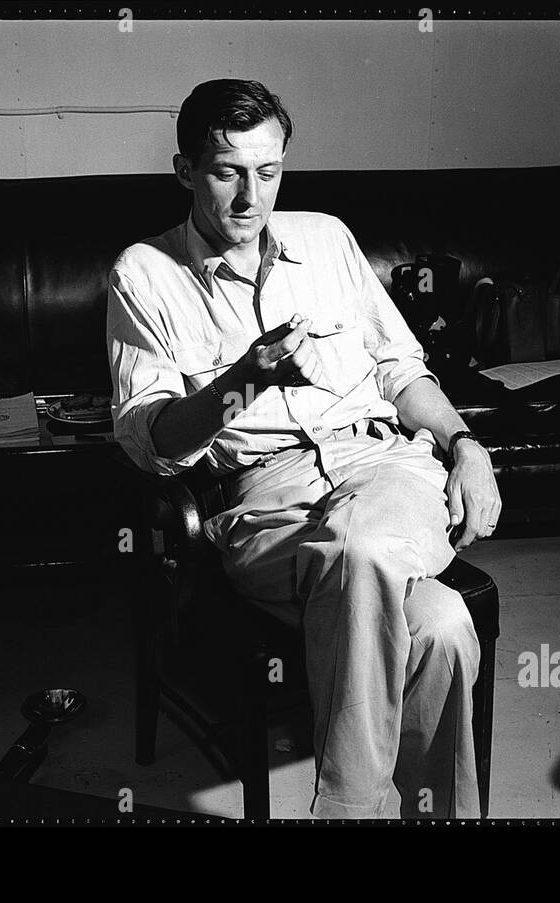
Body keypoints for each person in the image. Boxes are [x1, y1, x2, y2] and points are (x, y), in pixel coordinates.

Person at [107, 78, 501, 818]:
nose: (251, 197)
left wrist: (466, 445)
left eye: (269, 170)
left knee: (360, 544)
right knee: (443, 630)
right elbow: (151, 445)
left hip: (382, 468)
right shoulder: (144, 274)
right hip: (266, 505)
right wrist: (243, 381)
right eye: (227, 172)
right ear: (186, 170)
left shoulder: (328, 239)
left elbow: (400, 369)